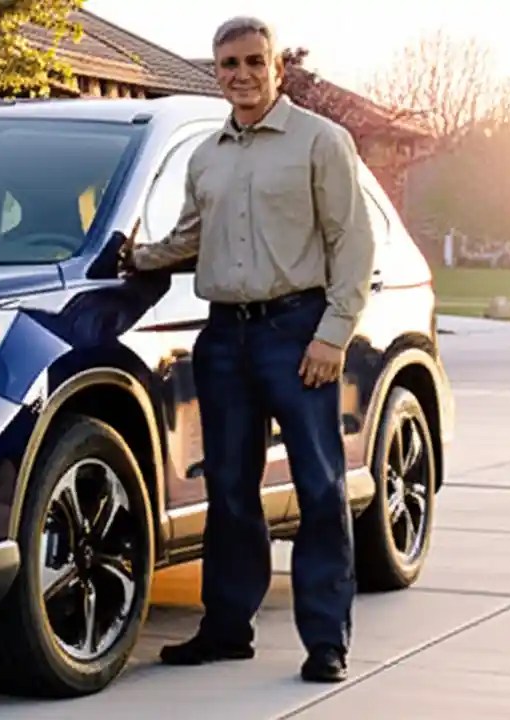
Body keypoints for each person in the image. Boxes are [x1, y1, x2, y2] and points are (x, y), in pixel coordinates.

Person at [125, 16, 376, 683]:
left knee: (318, 488)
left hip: (297, 334)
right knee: (231, 490)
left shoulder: (322, 141)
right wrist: (136, 257)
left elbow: (352, 244)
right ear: (216, 72)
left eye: (252, 62)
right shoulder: (207, 155)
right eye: (228, 64)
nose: (241, 74)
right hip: (223, 338)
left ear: (276, 68)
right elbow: (190, 236)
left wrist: (333, 334)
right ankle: (226, 628)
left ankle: (326, 641)